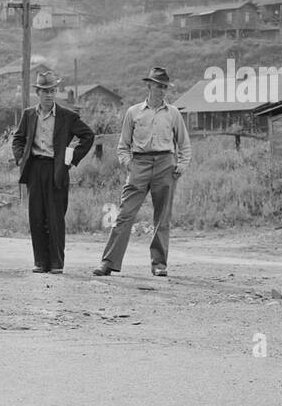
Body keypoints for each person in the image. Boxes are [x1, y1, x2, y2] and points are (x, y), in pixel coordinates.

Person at [93, 66, 192, 278]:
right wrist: (128, 163)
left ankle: (159, 264)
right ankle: (108, 262)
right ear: (149, 85)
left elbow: (184, 143)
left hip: (166, 163)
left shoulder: (173, 113)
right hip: (139, 163)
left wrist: (181, 165)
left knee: (162, 216)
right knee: (125, 213)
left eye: (165, 87)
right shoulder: (133, 112)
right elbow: (123, 144)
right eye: (158, 86)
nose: (162, 90)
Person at [11, 68, 95, 273]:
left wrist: (72, 158)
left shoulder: (67, 116)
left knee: (55, 217)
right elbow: (18, 139)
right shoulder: (29, 114)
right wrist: (21, 157)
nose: (49, 95)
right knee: (36, 217)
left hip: (56, 170)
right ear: (37, 92)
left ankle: (57, 263)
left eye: (52, 91)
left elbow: (88, 136)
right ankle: (40, 262)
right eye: (45, 91)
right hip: (34, 169)